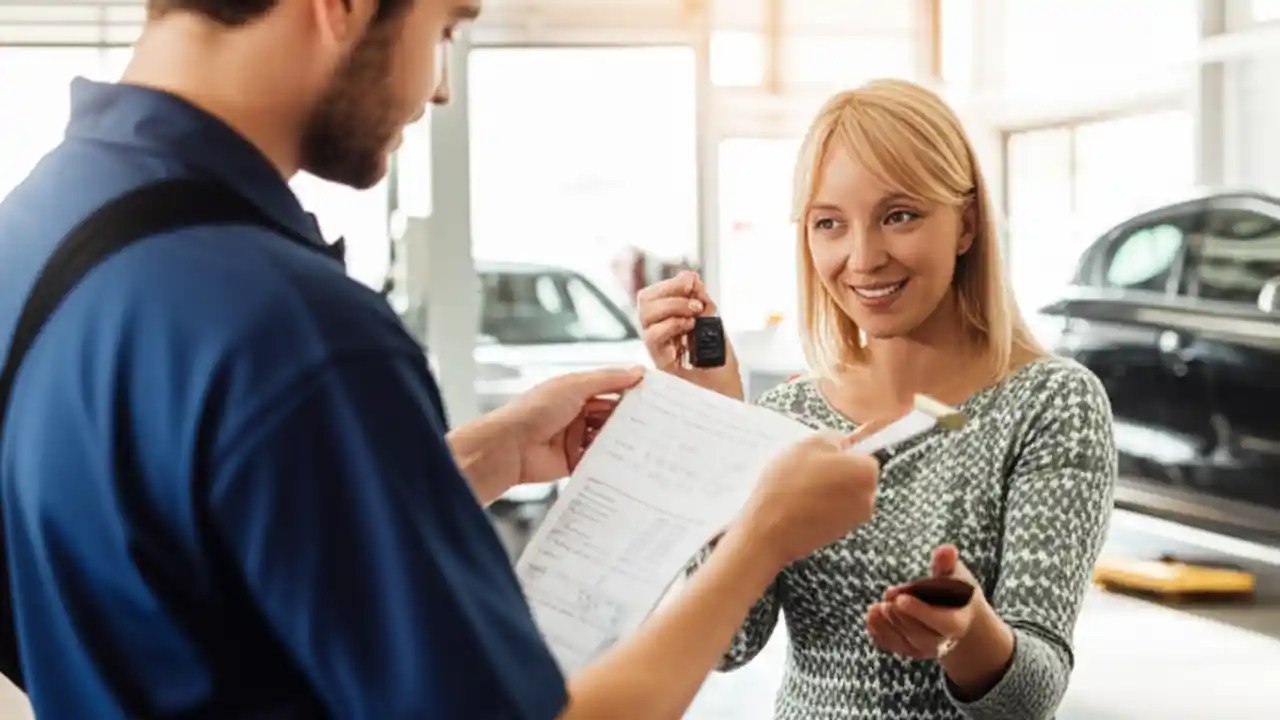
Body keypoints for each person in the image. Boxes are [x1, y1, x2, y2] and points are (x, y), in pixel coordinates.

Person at [0, 1, 884, 718]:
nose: (437, 89)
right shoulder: (296, 329)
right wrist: (761, 537)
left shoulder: (36, 228)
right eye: (446, 29)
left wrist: (472, 459)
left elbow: (186, 558)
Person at [638, 78, 1118, 719]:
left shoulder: (1051, 406)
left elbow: (1031, 698)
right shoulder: (790, 418)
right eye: (829, 224)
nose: (862, 258)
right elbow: (729, 644)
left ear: (967, 224)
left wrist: (969, 634)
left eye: (899, 216)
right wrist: (722, 423)